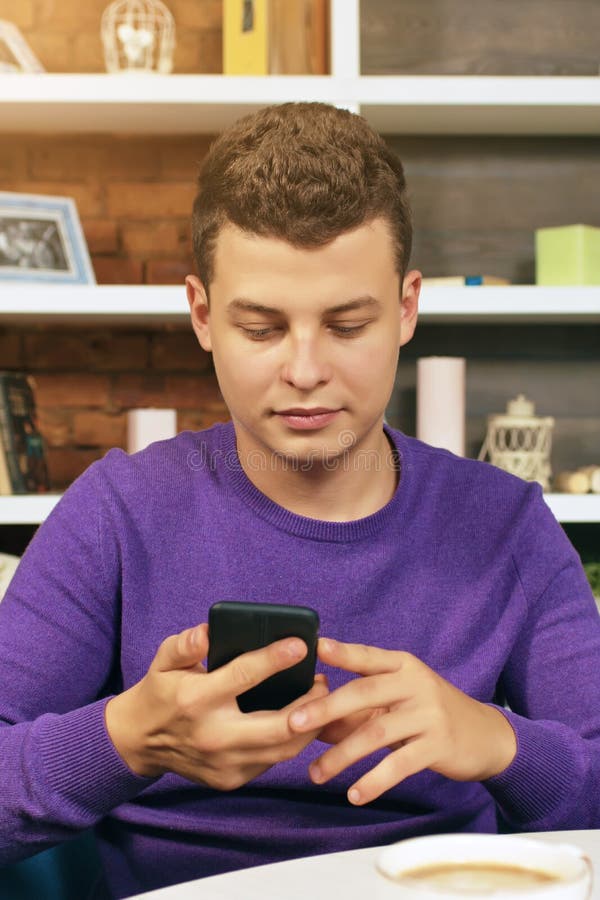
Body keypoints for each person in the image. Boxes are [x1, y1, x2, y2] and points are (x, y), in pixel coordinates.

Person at [0, 101, 599, 899]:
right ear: (203, 315)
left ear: (408, 309)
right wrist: (125, 739)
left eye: (348, 325)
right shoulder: (118, 513)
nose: (306, 370)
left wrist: (499, 742)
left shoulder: (508, 527)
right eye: (262, 328)